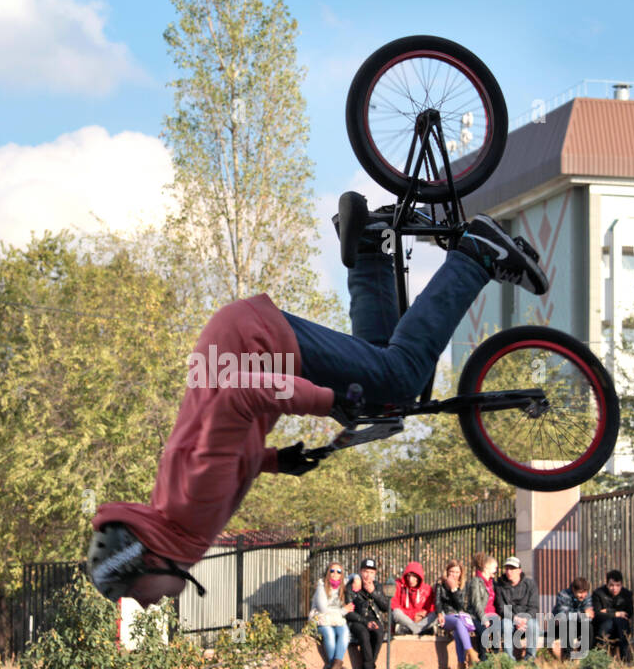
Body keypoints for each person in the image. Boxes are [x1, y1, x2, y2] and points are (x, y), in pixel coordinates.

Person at [87, 199, 549, 607]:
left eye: (134, 595)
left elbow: (239, 396)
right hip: (237, 343)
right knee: (378, 391)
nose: (144, 607)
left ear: (149, 561)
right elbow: (207, 443)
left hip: (255, 346)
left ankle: (476, 254)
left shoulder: (189, 509)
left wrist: (326, 401)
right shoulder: (173, 516)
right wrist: (273, 460)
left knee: (401, 378)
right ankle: (369, 249)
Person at [345, 560, 392, 669]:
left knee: (379, 632)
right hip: (357, 620)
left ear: (375, 574)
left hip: (374, 619)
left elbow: (386, 607)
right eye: (365, 572)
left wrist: (373, 593)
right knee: (364, 634)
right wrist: (365, 622)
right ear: (360, 571)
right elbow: (349, 612)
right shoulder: (352, 586)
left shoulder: (377, 586)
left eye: (371, 572)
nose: (368, 575)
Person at [434, 560, 479, 669]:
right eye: (451, 571)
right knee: (459, 624)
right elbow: (437, 602)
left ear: (461, 573)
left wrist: (454, 589)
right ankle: (471, 653)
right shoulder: (440, 584)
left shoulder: (463, 585)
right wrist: (439, 614)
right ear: (447, 572)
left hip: (458, 617)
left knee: (459, 629)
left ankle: (461, 667)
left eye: (457, 572)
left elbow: (460, 607)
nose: (454, 574)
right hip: (445, 617)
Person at [310, 562, 351, 669]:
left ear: (342, 575)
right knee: (329, 634)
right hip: (322, 618)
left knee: (344, 633)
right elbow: (323, 609)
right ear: (328, 573)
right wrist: (343, 611)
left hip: (337, 619)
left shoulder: (343, 585)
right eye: (332, 571)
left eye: (339, 571)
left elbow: (353, 576)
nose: (335, 574)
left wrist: (357, 578)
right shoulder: (321, 586)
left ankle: (335, 665)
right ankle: (332, 664)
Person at [494, 556, 540, 661]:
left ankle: (530, 659)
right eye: (507, 568)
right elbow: (501, 608)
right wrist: (516, 619)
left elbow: (534, 607)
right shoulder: (500, 586)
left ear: (519, 570)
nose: (509, 571)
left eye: (512, 569)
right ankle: (509, 660)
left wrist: (524, 620)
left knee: (534, 625)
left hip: (526, 619)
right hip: (510, 619)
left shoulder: (530, 584)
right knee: (505, 624)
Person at [593, 569, 634, 661]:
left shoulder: (626, 594)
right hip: (604, 625)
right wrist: (616, 613)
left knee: (621, 624)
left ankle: (625, 660)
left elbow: (629, 613)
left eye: (617, 585)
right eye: (611, 585)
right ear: (606, 584)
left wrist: (607, 611)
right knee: (606, 628)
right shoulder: (598, 593)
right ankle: (600, 660)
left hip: (621, 626)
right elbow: (597, 614)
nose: (614, 588)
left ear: (621, 584)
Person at [550, 577, 594, 659]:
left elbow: (590, 617)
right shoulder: (563, 595)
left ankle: (586, 656)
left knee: (589, 626)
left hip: (577, 625)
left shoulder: (586, 596)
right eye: (580, 593)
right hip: (560, 627)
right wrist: (583, 614)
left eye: (585, 592)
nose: (583, 595)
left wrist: (581, 616)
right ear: (573, 590)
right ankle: (567, 658)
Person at [391, 561, 436, 635]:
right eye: (408, 576)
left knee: (438, 614)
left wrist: (422, 615)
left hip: (420, 620)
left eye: (414, 576)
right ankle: (419, 630)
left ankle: (412, 629)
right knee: (396, 613)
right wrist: (413, 615)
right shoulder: (398, 585)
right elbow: (394, 605)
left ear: (419, 577)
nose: (410, 579)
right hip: (406, 619)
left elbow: (430, 609)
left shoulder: (427, 589)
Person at [468, 552, 499, 659]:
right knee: (483, 631)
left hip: (492, 614)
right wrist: (484, 619)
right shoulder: (476, 582)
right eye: (495, 567)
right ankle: (483, 659)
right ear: (486, 567)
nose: (496, 570)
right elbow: (477, 603)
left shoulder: (492, 583)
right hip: (477, 615)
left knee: (496, 629)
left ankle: (495, 658)